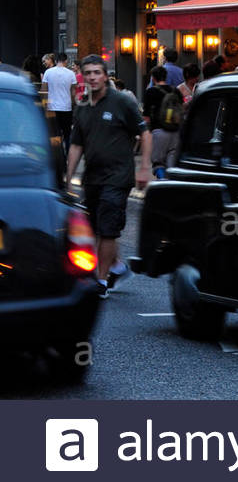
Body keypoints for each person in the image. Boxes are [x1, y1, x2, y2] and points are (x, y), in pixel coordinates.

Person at [66, 55, 151, 298]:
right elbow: (76, 145)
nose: (92, 77)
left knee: (108, 228)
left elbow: (145, 134)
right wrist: (67, 177)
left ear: (105, 76)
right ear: (83, 76)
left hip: (118, 177)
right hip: (92, 178)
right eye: (88, 73)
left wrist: (145, 168)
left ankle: (101, 281)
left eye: (97, 72)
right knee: (93, 230)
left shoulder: (122, 101)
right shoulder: (82, 105)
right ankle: (118, 266)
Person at [141, 65, 183, 178]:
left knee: (158, 163)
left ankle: (163, 184)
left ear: (153, 78)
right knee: (171, 164)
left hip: (159, 131)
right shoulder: (176, 91)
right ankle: (172, 185)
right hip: (175, 131)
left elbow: (146, 116)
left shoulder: (150, 92)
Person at [43, 51, 77, 176]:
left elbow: (44, 90)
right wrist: (74, 104)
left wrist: (45, 106)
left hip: (52, 108)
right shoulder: (71, 74)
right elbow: (73, 93)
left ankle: (57, 159)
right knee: (67, 135)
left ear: (56, 60)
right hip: (66, 108)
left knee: (54, 136)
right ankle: (68, 158)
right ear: (66, 61)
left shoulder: (48, 72)